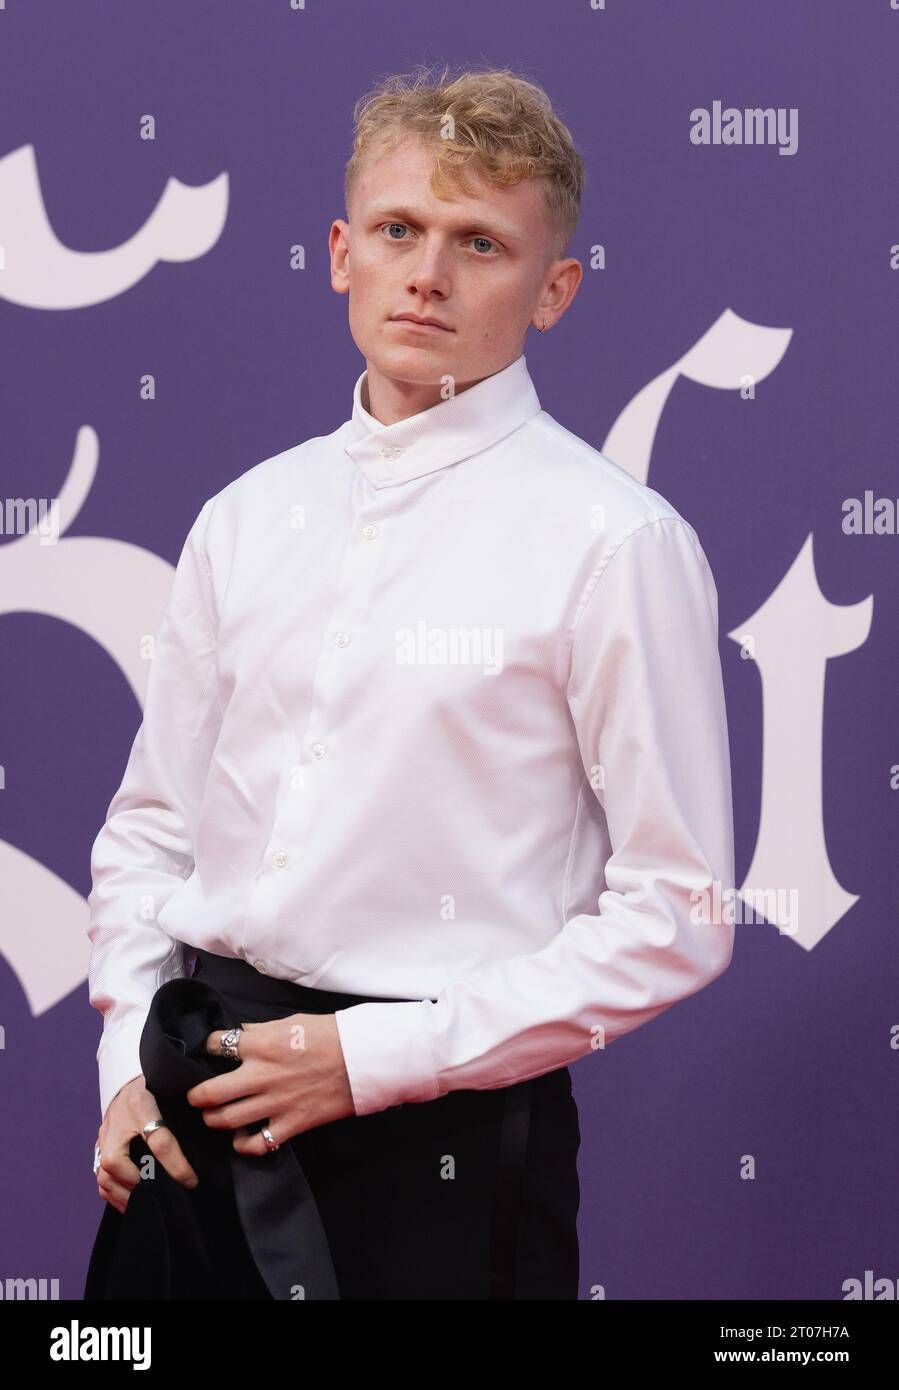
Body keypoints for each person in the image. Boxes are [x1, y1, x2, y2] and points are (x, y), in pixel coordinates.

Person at [85, 62, 735, 1301]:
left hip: (439, 1148)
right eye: (398, 230)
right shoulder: (246, 516)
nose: (426, 273)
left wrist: (373, 1057)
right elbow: (151, 831)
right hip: (187, 1113)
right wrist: (124, 1061)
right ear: (341, 253)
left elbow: (676, 913)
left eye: (478, 242)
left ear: (554, 291)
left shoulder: (614, 543)